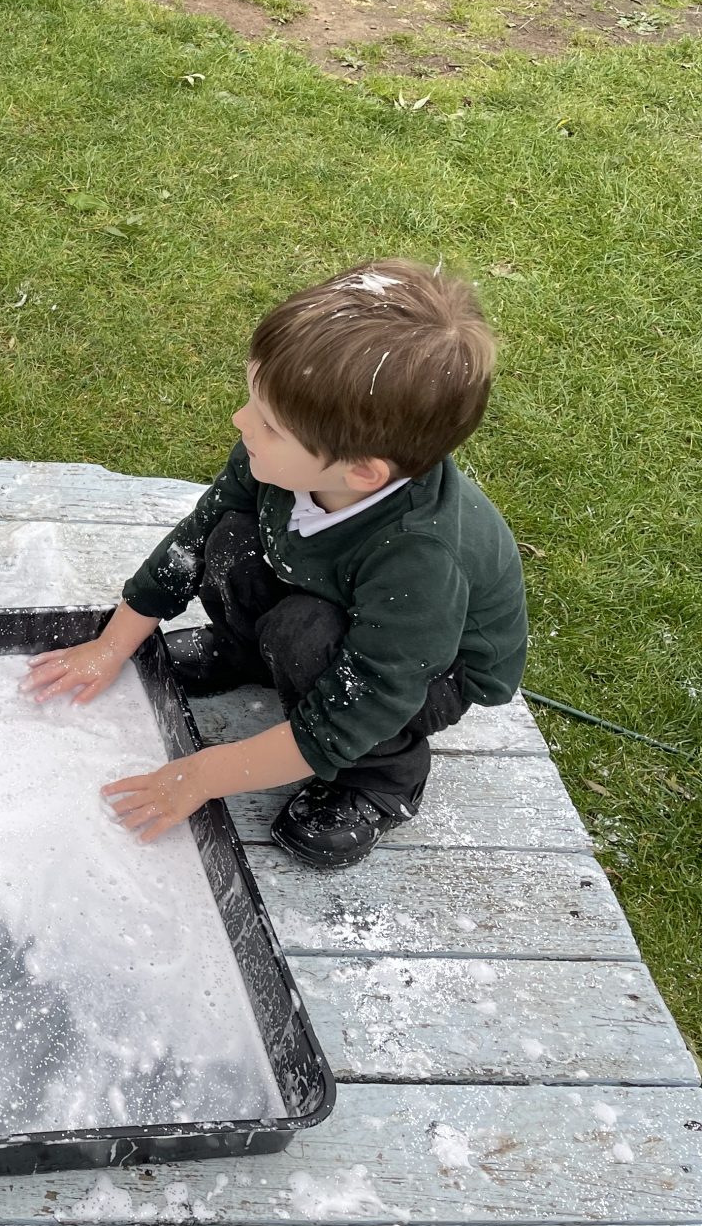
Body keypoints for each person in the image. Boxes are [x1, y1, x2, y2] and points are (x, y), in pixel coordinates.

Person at [26, 262, 528, 871]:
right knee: (232, 538)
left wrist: (205, 773)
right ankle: (248, 653)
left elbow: (371, 696)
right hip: (330, 593)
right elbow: (193, 543)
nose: (241, 422)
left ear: (361, 472)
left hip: (427, 674)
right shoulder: (279, 465)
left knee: (306, 633)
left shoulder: (419, 558)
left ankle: (381, 779)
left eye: (268, 423)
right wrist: (111, 645)